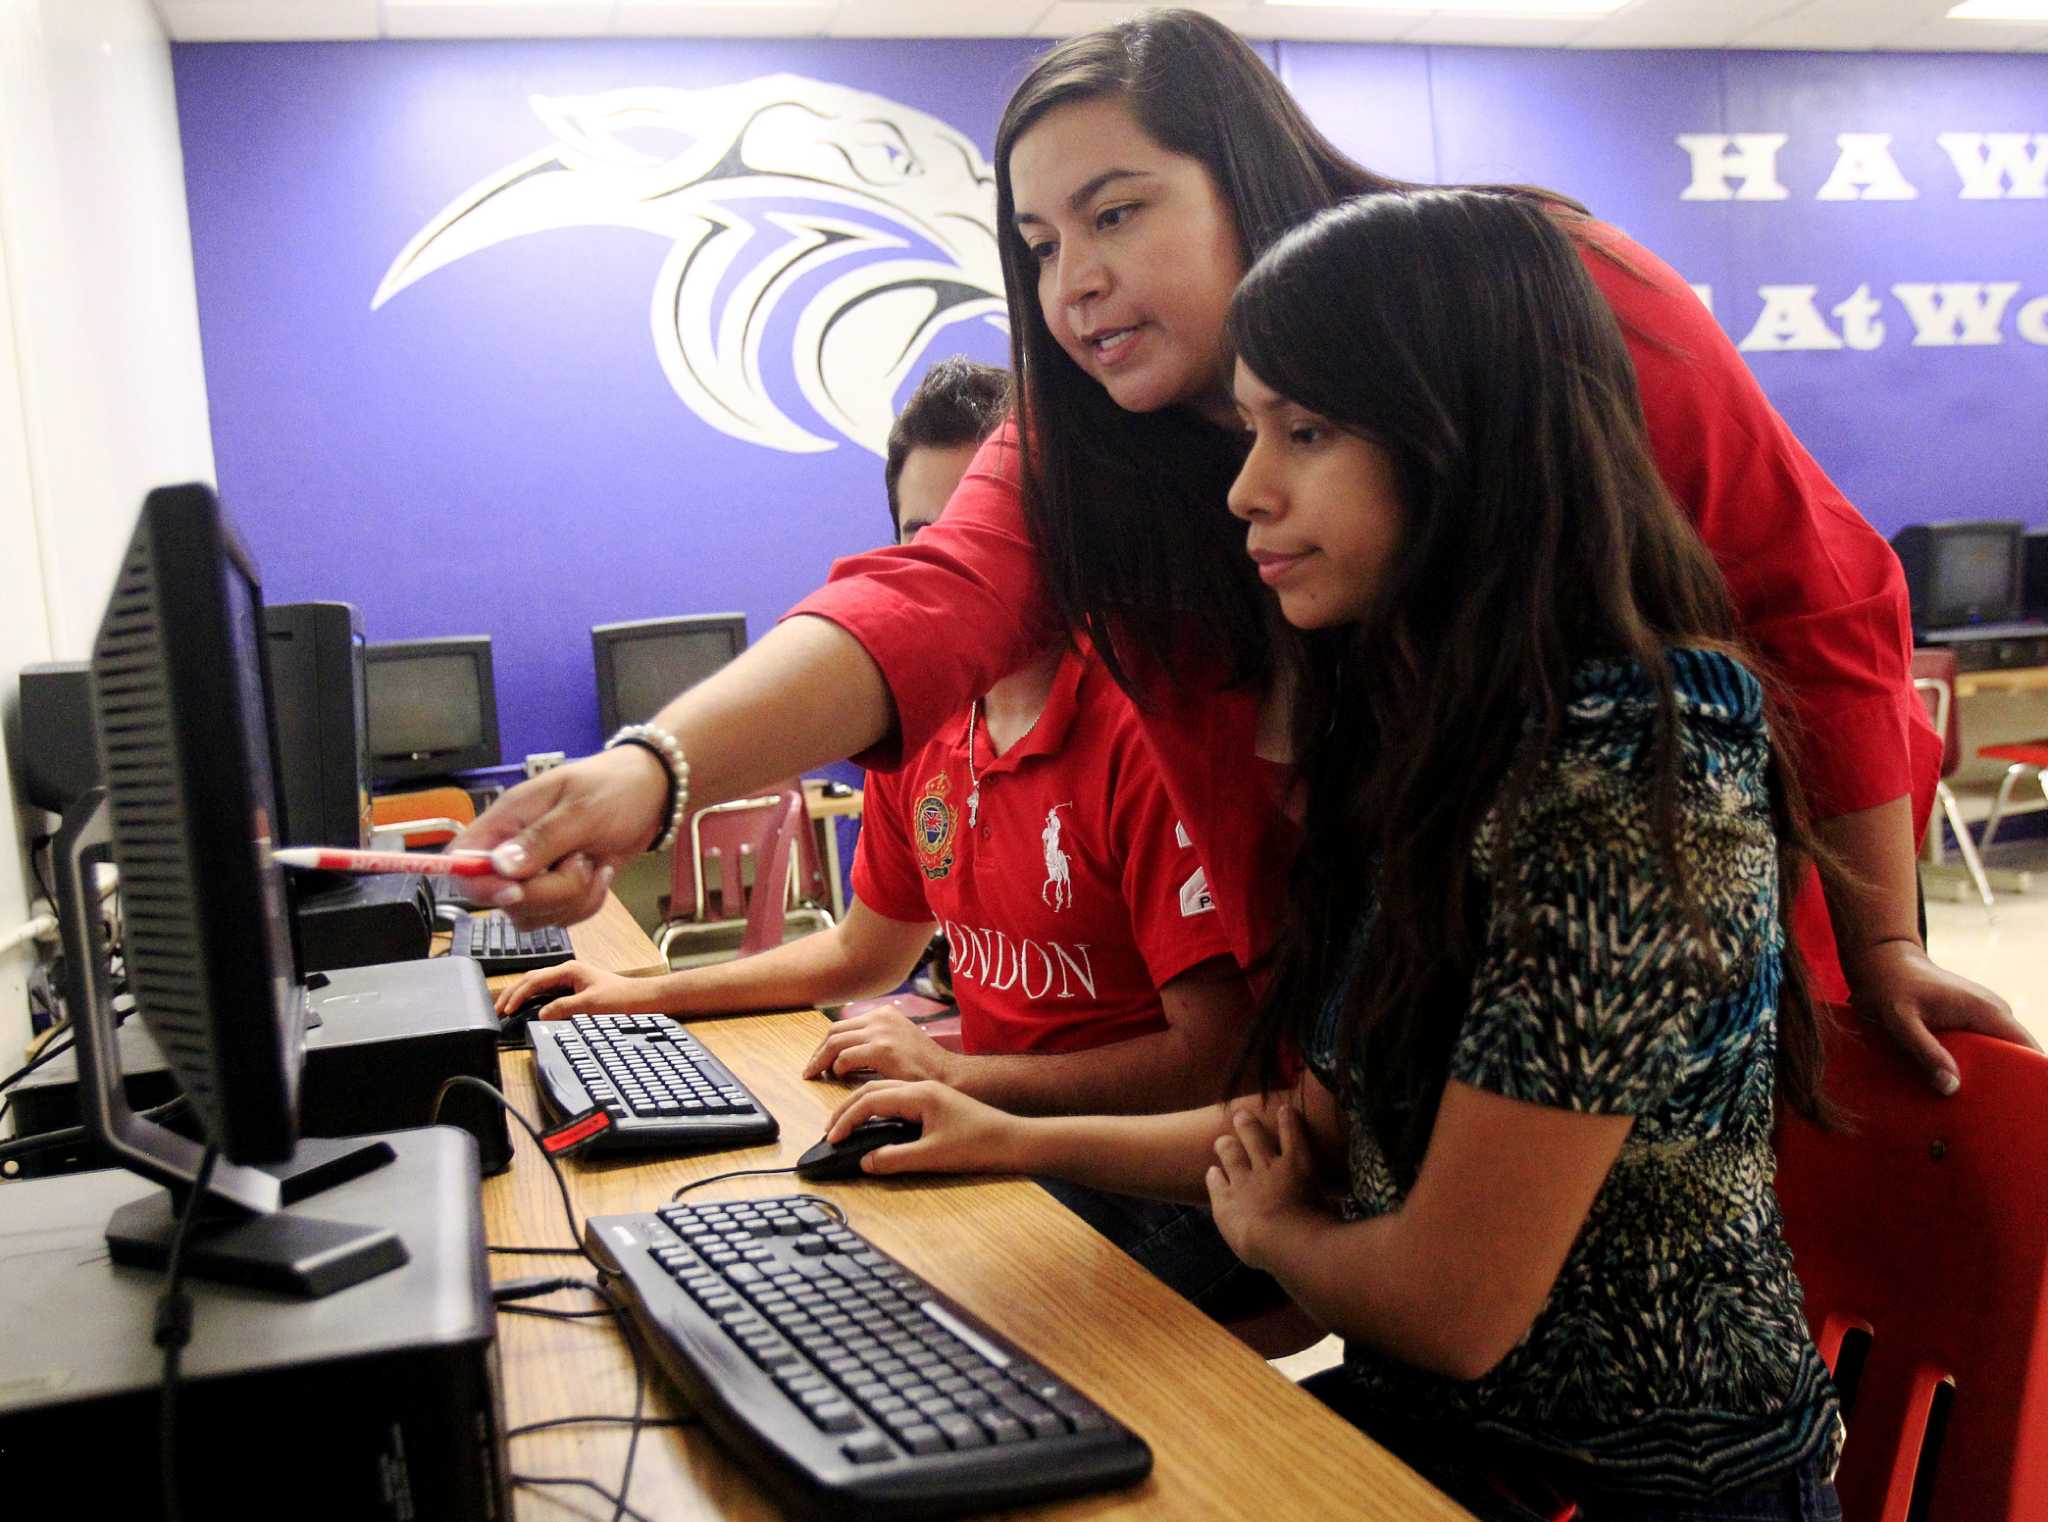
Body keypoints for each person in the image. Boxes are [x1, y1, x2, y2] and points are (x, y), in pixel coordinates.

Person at [453, 9, 2029, 1094]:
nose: (1074, 283)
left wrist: (1885, 936)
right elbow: (926, 597)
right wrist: (652, 769)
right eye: (1042, 244)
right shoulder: (1092, 448)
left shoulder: (1545, 301)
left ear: (1250, 182)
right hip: (1399, 985)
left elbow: (1818, 597)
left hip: (1651, 933)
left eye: (1120, 211)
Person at [821, 188, 1847, 1521]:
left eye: (1302, 431)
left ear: (1464, 434)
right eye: (1252, 429)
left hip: (1633, 1482)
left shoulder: (1628, 759)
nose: (1247, 487)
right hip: (1442, 1435)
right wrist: (1004, 1129)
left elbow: (1449, 1301)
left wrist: (1274, 1238)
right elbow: (1313, 1131)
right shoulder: (1441, 725)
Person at [496, 358, 1270, 1315]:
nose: (963, 578)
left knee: (895, 1290)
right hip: (999, 1124)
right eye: (924, 545)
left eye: (985, 544)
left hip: (1161, 1172)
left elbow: (1214, 1060)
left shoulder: (1145, 730)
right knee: (783, 1243)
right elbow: (865, 951)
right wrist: (646, 993)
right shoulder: (929, 732)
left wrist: (961, 1077)